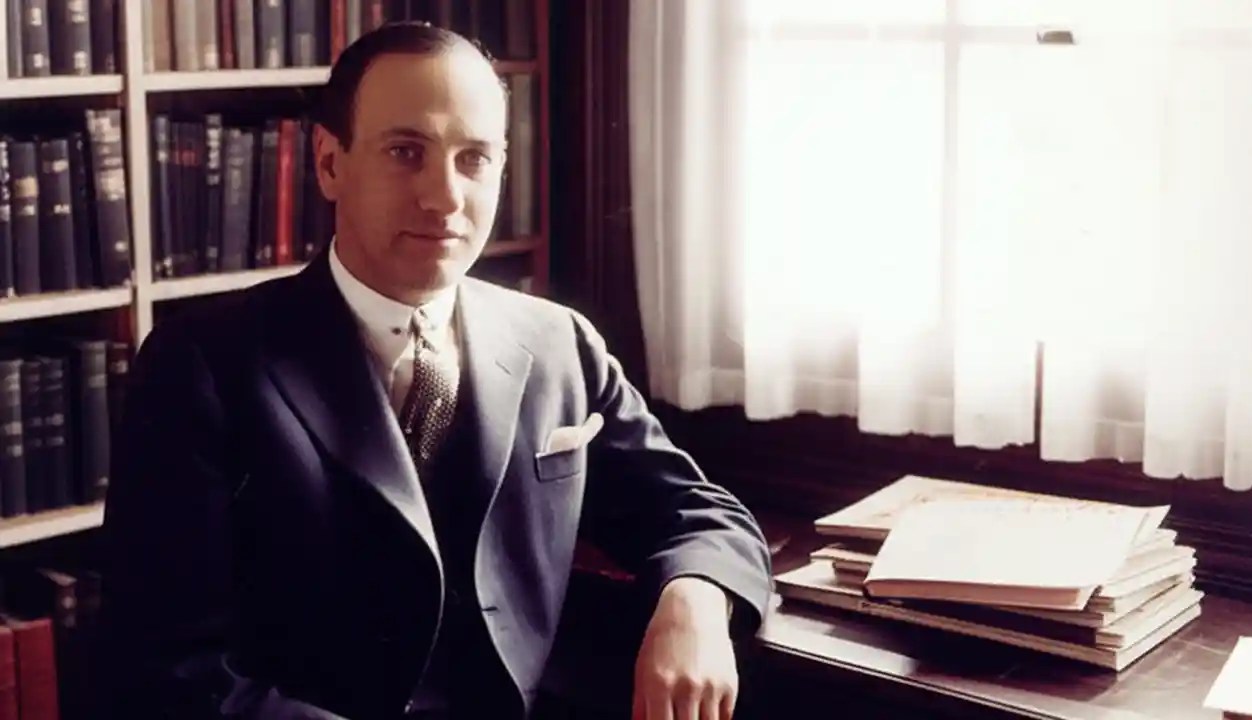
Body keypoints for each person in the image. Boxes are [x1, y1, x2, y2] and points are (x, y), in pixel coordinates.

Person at [100, 21, 772, 720]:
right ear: (330, 163)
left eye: (474, 158)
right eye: (405, 151)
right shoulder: (202, 363)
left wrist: (692, 601)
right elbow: (173, 675)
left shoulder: (555, 342)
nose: (445, 197)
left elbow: (701, 513)